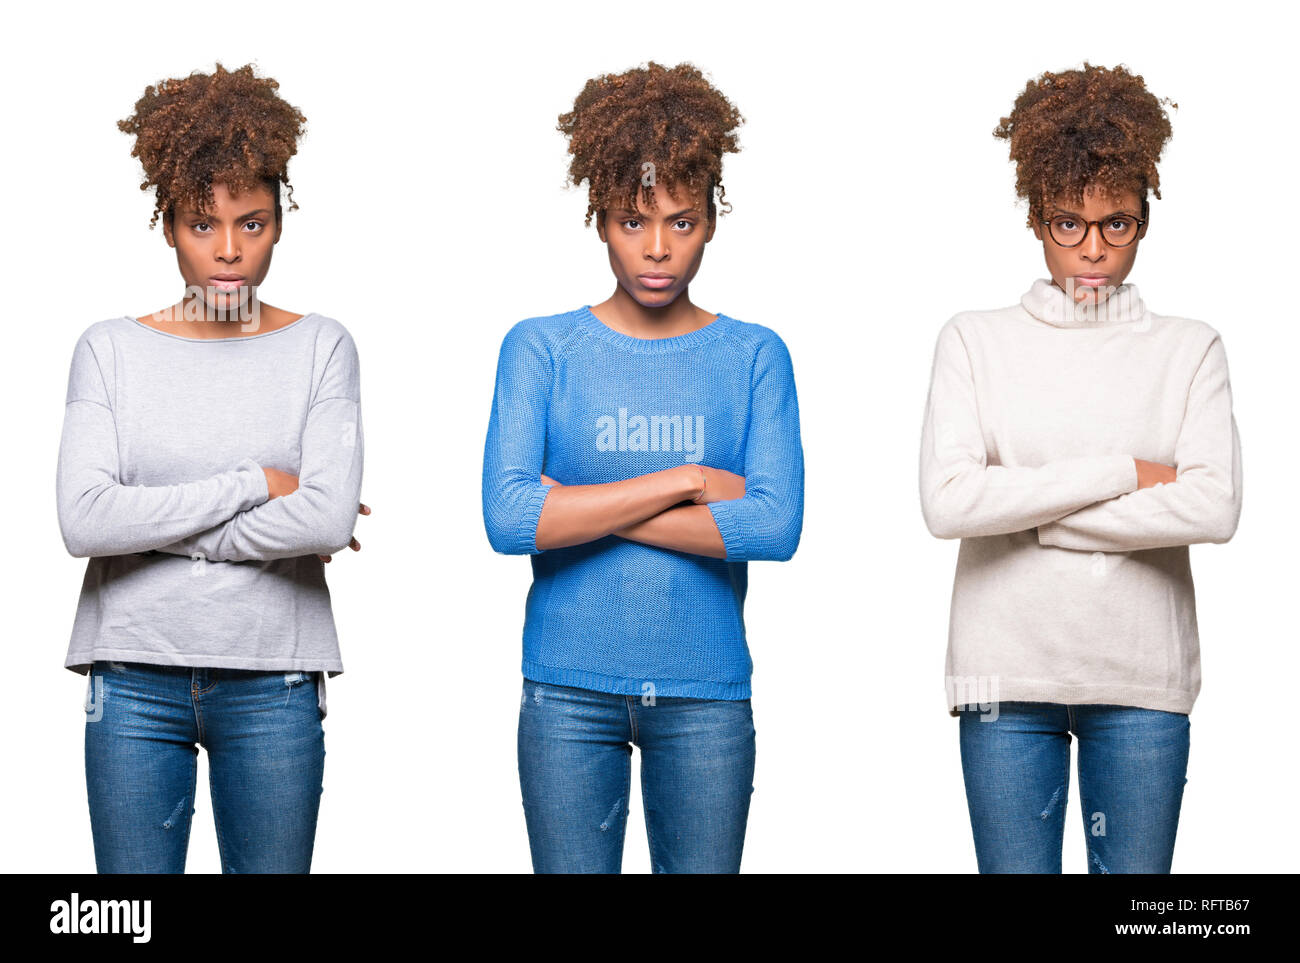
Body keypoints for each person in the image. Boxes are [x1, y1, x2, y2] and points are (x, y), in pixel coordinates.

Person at [919, 62, 1242, 873]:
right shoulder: (974, 340)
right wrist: (1128, 470)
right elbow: (948, 502)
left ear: (1145, 221)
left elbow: (1213, 507)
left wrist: (1028, 512)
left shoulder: (1188, 347)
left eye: (1118, 225)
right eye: (1070, 223)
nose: (1093, 250)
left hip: (1141, 680)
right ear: (1035, 217)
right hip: (1004, 674)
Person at [482, 62, 804, 873]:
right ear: (599, 219)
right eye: (633, 221)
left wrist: (580, 505)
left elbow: (775, 524)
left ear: (712, 220)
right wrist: (688, 479)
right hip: (566, 692)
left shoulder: (755, 355)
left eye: (681, 221)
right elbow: (509, 518)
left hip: (704, 693)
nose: (657, 248)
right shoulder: (541, 348)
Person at [57, 62, 368, 873]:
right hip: (132, 678)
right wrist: (255, 485)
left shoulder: (321, 347)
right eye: (203, 225)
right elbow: (85, 519)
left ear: (280, 221)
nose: (229, 253)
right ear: (166, 224)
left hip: (275, 681)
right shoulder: (110, 350)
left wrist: (159, 532)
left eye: (253, 224)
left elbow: (329, 518)